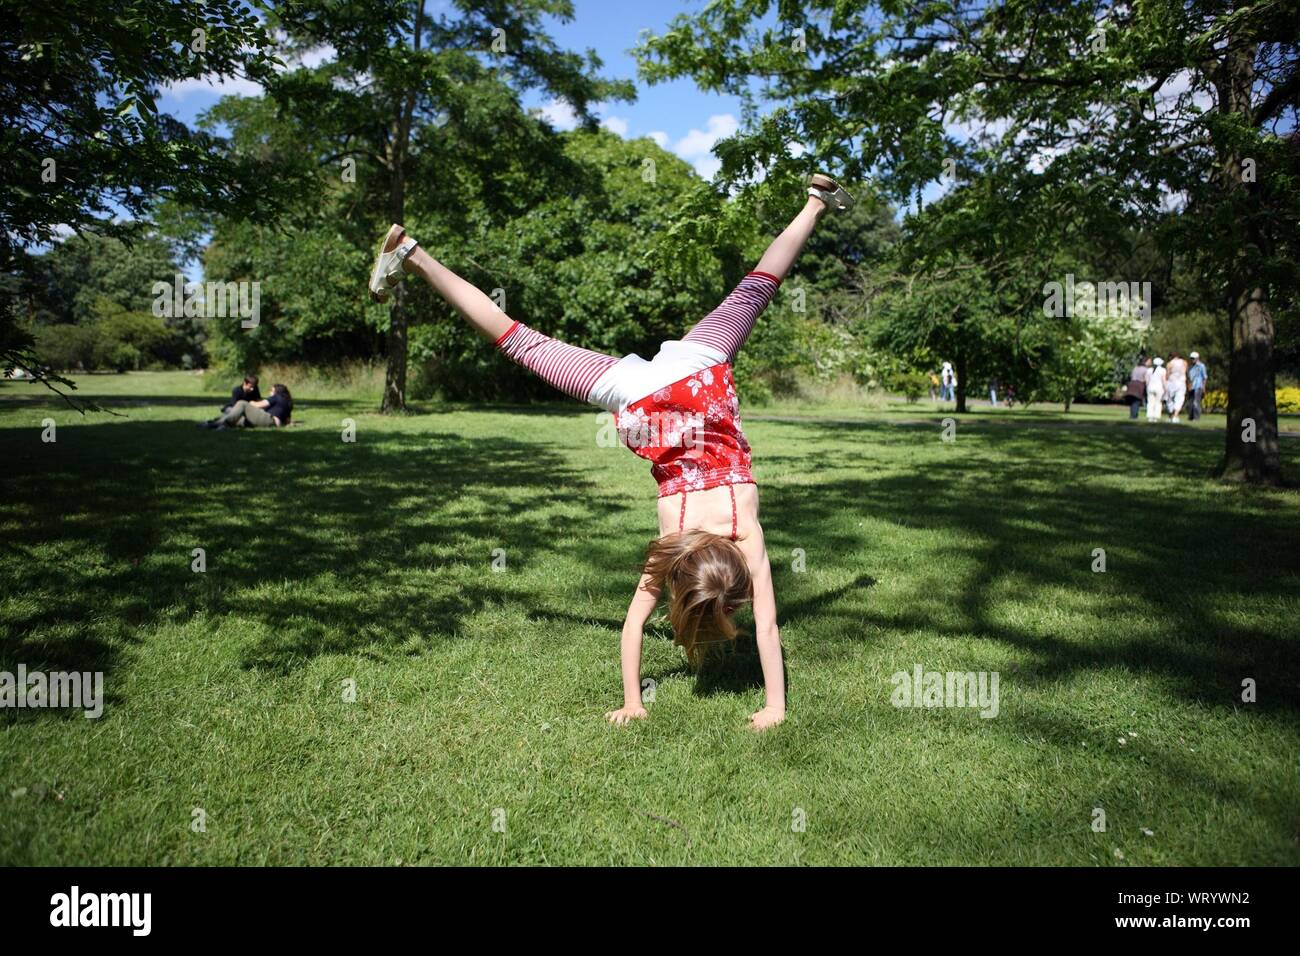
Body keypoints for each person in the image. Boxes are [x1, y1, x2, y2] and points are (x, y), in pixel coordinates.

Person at [368, 173, 857, 730]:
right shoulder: (673, 544)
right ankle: (413, 256)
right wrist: (756, 706)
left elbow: (763, 625)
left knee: (757, 285)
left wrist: (651, 702)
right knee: (520, 341)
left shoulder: (742, 532)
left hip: (698, 372)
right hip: (642, 397)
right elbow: (661, 626)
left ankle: (815, 203)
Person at [203, 383, 292, 429]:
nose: (270, 393)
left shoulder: (276, 397)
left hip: (270, 420)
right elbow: (287, 420)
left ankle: (223, 424)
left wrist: (250, 402)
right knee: (240, 419)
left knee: (242, 403)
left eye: (271, 391)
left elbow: (258, 405)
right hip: (273, 423)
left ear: (277, 391)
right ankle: (213, 423)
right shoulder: (287, 402)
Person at [1165, 352, 1188, 423]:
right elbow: (1186, 371)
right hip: (1181, 382)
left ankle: (1172, 415)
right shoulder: (1184, 362)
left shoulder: (1169, 364)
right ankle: (1175, 415)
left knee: (1170, 399)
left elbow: (1167, 374)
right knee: (1180, 399)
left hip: (1172, 382)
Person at [1187, 351, 1208, 421]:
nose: (1192, 360)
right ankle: (1191, 417)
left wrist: (1204, 387)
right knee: (1190, 402)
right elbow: (1189, 377)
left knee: (1196, 402)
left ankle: (1196, 417)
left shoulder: (1201, 366)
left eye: (1193, 358)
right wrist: (1189, 385)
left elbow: (1204, 377)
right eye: (1191, 358)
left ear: (1197, 358)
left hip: (1198, 386)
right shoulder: (1190, 367)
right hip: (1191, 387)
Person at [1146, 357, 1166, 422]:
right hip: (1159, 388)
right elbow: (1163, 380)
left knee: (1150, 402)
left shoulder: (1149, 370)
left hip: (1150, 388)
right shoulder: (1163, 370)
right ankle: (1156, 417)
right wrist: (1165, 388)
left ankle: (1150, 416)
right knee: (1158, 402)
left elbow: (1147, 380)